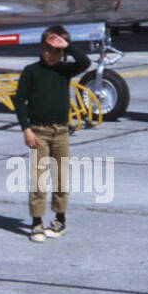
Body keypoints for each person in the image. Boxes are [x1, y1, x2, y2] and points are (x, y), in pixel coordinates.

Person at [14, 26, 90, 242]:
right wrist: (26, 129)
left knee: (60, 178)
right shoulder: (31, 71)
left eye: (57, 51)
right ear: (41, 48)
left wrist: (68, 46)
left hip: (61, 132)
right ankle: (37, 223)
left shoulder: (64, 70)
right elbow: (19, 101)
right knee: (38, 179)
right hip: (39, 132)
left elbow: (85, 63)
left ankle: (59, 220)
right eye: (48, 49)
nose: (51, 54)